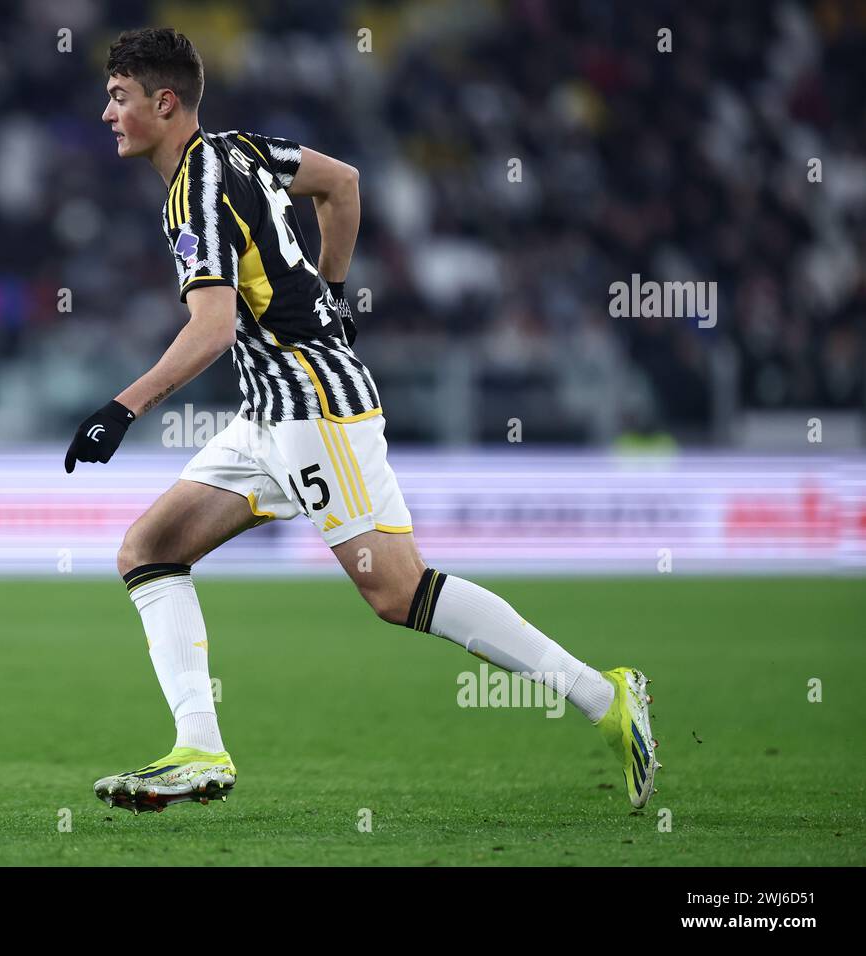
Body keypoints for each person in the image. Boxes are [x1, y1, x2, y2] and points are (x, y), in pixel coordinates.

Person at [65, 27, 658, 814]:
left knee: (396, 591)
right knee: (147, 550)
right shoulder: (244, 149)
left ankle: (603, 697)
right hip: (268, 414)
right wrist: (334, 296)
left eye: (119, 97)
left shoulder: (193, 194)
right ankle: (199, 749)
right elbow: (341, 182)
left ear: (163, 103)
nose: (108, 113)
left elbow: (209, 329)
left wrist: (122, 408)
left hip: (313, 405)